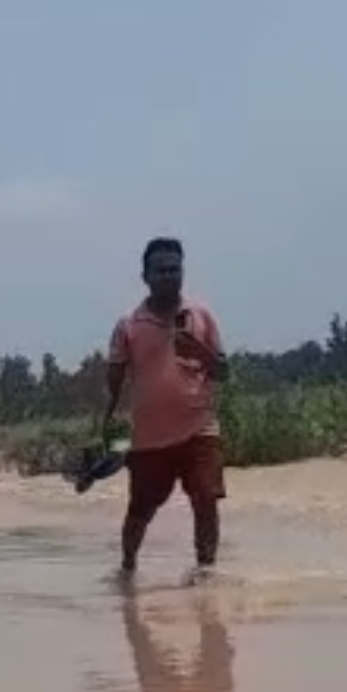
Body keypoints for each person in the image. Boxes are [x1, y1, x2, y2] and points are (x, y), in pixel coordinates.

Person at [100, 237, 229, 577]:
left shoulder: (200, 316)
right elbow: (115, 389)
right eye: (161, 271)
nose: (170, 276)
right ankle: (127, 570)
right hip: (148, 439)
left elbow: (224, 372)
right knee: (141, 509)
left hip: (199, 428)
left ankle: (206, 573)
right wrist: (112, 441)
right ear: (145, 276)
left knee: (206, 499)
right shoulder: (128, 326)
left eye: (175, 269)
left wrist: (200, 351)